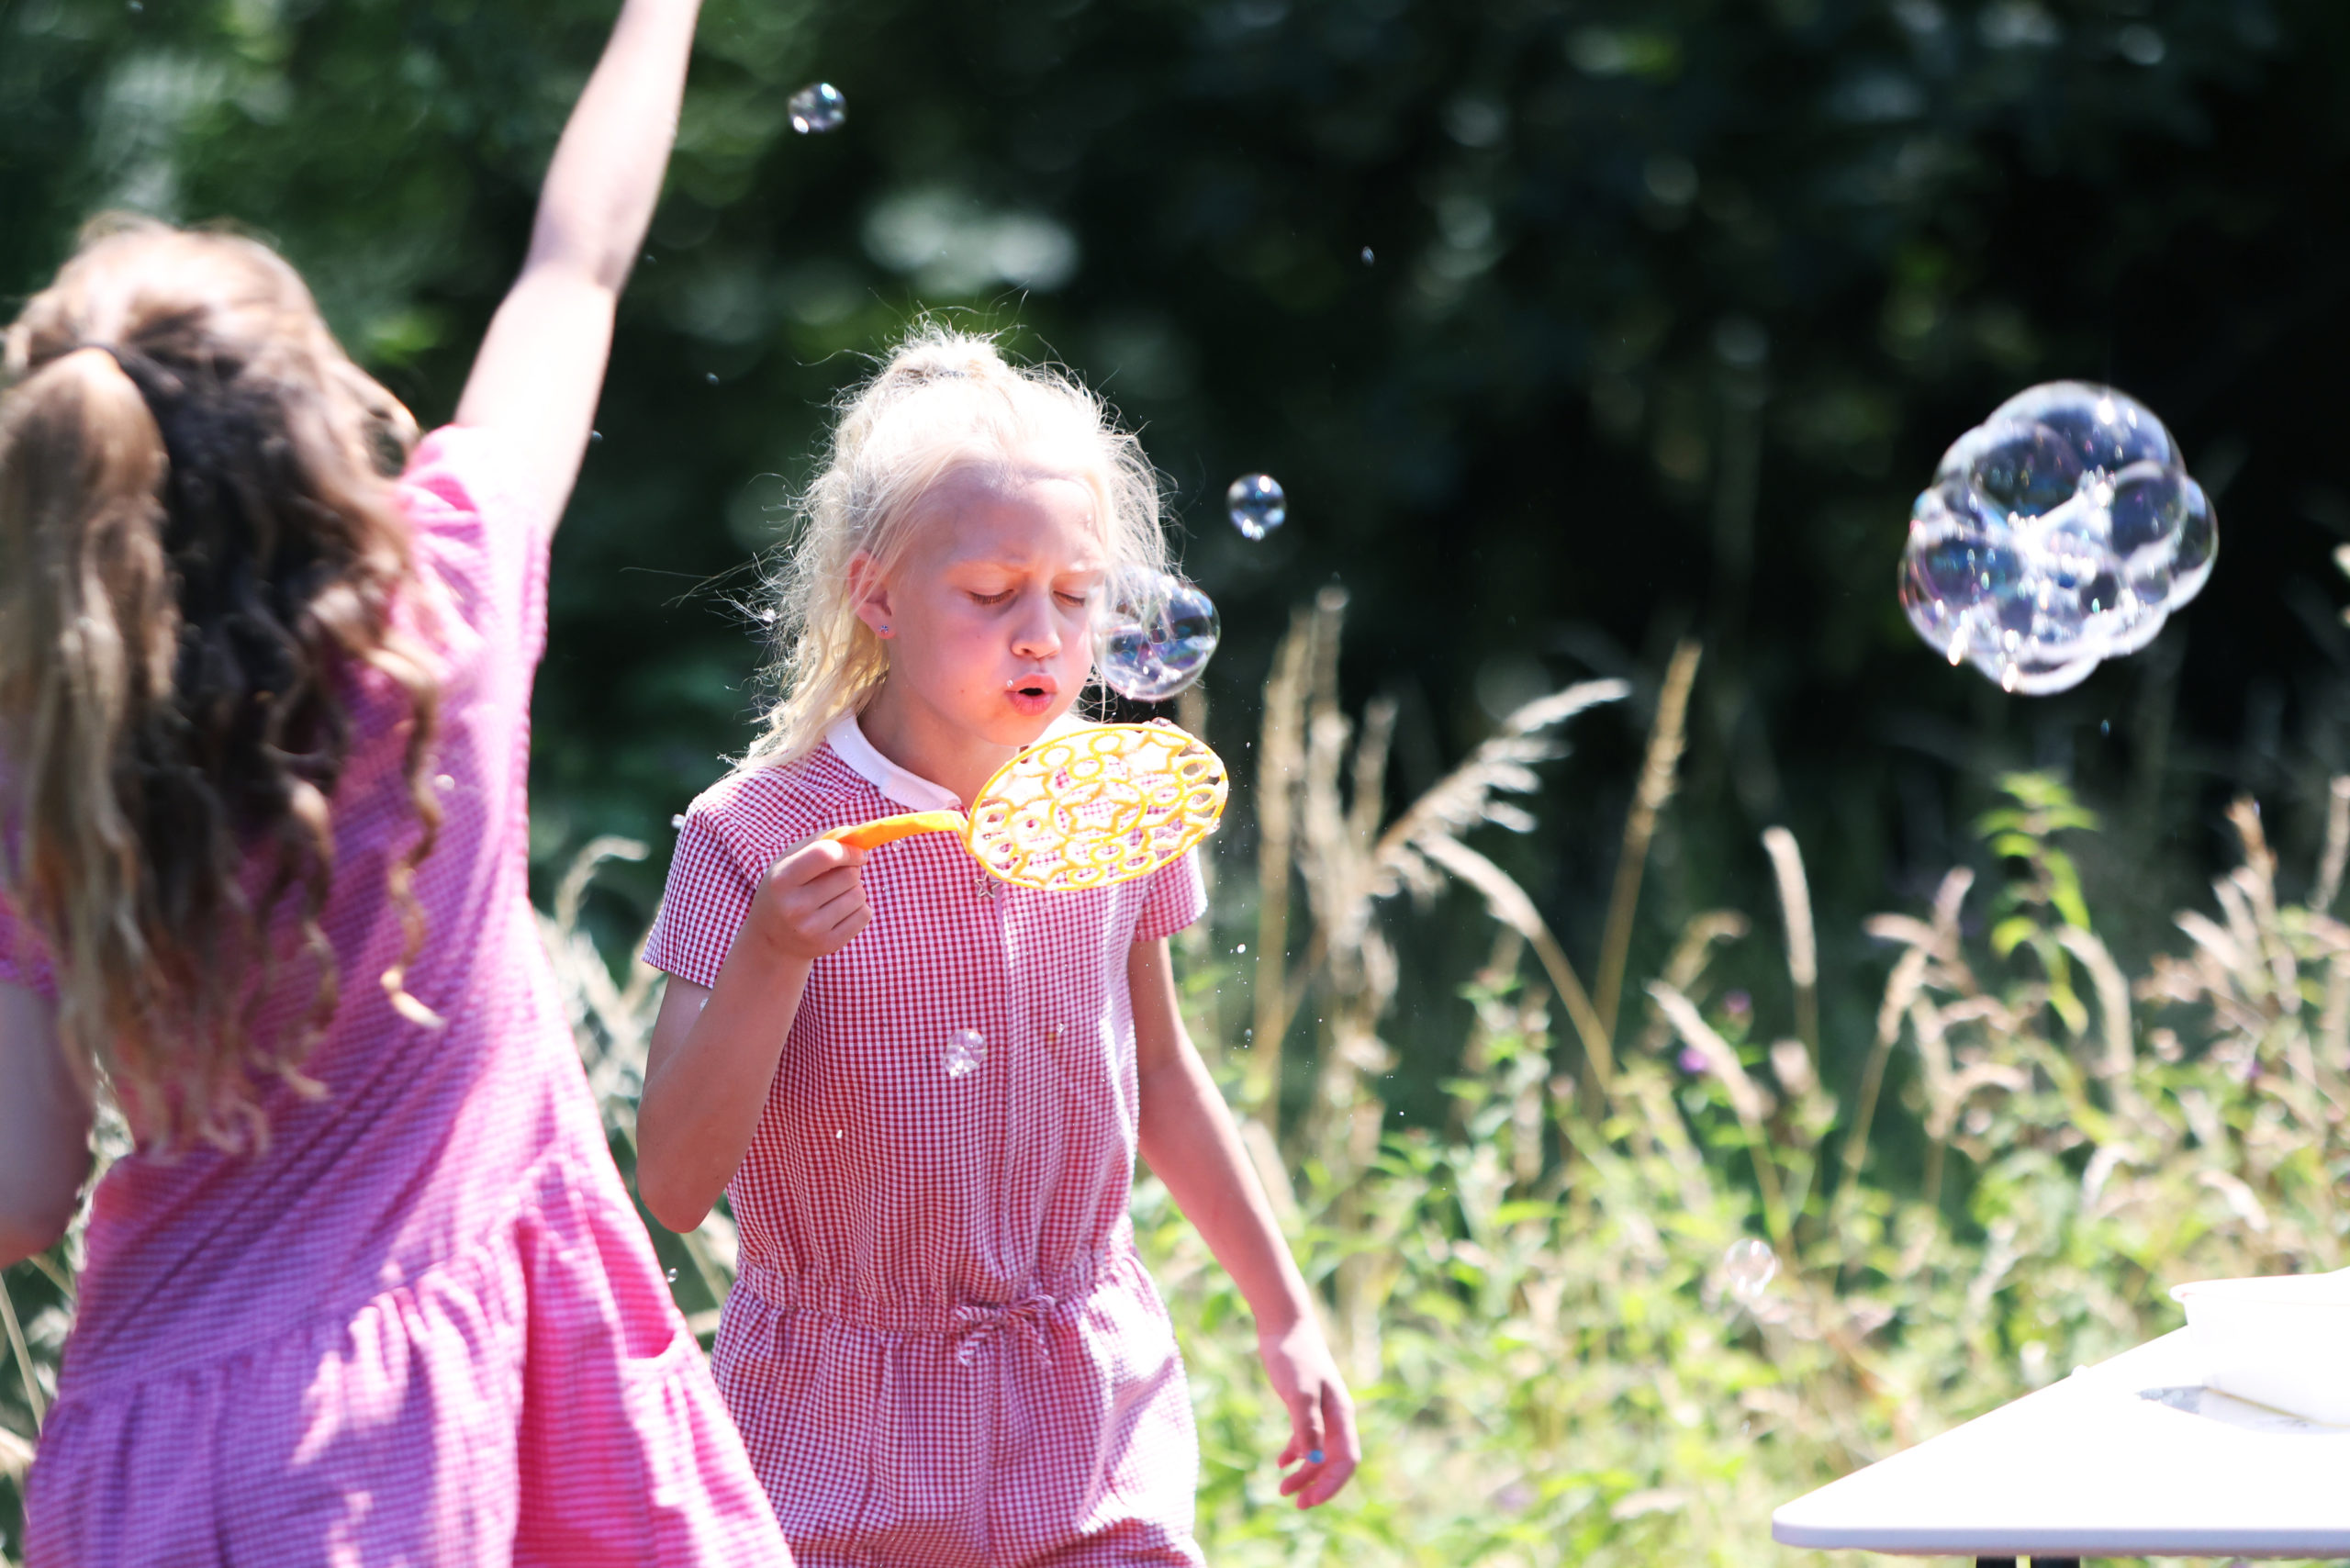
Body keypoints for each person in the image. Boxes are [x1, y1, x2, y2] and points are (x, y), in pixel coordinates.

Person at [0, 2, 794, 1562]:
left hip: (144, 1440)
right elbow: (578, 263)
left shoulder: (47, 765)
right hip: (402, 1438)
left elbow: (25, 1190)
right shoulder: (446, 615)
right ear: (312, 428)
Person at [634, 326, 1361, 1567]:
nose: (1042, 633)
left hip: (1083, 1403)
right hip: (835, 1426)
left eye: (1077, 597)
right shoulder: (751, 835)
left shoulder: (1116, 805)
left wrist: (1286, 1314)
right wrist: (768, 958)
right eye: (991, 595)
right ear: (876, 594)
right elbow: (676, 1183)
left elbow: (1166, 1076)